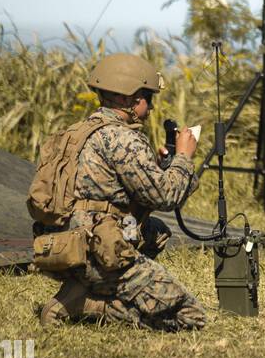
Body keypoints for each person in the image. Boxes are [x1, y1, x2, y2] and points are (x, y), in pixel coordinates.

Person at [28, 53, 204, 331]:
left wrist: (158, 168)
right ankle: (87, 303)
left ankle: (84, 286)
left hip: (60, 249)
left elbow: (118, 192)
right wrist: (183, 157)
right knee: (189, 316)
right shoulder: (124, 138)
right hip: (97, 250)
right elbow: (166, 197)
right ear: (129, 99)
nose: (152, 107)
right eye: (148, 97)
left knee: (155, 232)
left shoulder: (78, 131)